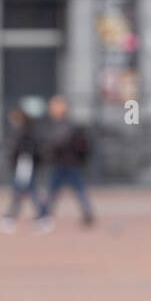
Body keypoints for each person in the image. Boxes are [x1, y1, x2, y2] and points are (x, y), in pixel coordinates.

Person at [44, 96, 95, 226]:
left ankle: (44, 214)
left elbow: (58, 143)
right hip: (64, 163)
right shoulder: (59, 124)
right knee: (56, 190)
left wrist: (50, 151)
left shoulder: (65, 125)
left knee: (61, 190)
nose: (51, 109)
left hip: (67, 163)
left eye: (54, 107)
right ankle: (44, 214)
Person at [2, 106, 52, 232]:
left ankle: (13, 217)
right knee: (29, 191)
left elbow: (24, 149)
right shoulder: (22, 130)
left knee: (22, 191)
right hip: (24, 164)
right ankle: (42, 216)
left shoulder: (25, 131)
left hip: (25, 164)